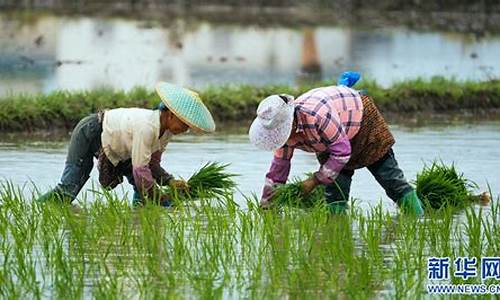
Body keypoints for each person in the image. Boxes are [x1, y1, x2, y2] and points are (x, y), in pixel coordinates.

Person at [248, 72, 424, 215]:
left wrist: (314, 181)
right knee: (335, 190)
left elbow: (341, 153)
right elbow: (278, 170)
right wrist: (267, 205)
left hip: (361, 121)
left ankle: (420, 222)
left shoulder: (317, 117)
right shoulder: (282, 135)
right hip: (331, 137)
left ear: (291, 123)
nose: (280, 136)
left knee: (389, 177)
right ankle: (336, 230)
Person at [37, 82, 216, 206]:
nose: (185, 129)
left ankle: (139, 218)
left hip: (117, 145)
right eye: (184, 123)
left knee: (143, 191)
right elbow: (140, 170)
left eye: (188, 126)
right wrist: (160, 197)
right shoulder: (148, 127)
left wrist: (170, 182)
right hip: (90, 132)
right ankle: (37, 210)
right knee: (69, 188)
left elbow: (151, 164)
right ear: (170, 115)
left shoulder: (166, 133)